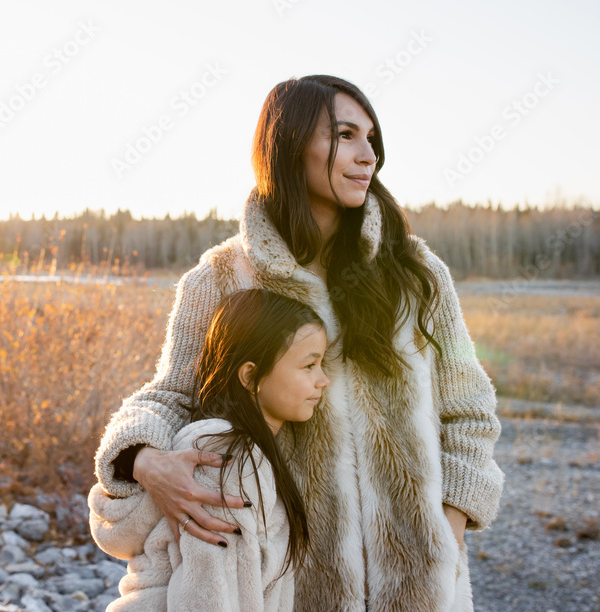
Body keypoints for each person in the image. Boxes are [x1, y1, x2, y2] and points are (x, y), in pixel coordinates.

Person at [93, 75, 505, 611]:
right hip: (288, 587)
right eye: (346, 136)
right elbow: (171, 396)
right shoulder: (222, 278)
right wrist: (142, 459)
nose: (368, 157)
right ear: (289, 144)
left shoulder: (416, 273)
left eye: (372, 139)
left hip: (422, 592)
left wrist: (446, 538)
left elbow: (470, 412)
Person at [89, 289, 330, 611]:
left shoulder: (241, 448)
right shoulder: (223, 456)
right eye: (309, 365)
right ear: (250, 376)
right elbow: (207, 595)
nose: (324, 380)